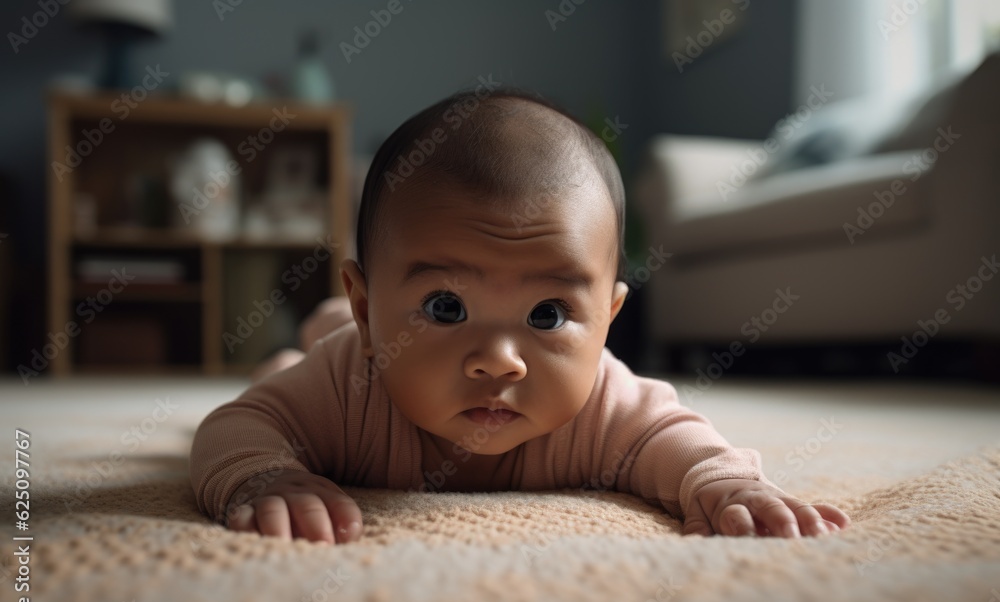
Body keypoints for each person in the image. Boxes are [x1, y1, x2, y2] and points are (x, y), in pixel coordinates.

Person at [190, 88, 851, 544]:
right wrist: (266, 474)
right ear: (373, 310)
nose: (500, 359)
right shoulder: (346, 384)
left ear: (608, 320)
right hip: (342, 346)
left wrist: (721, 480)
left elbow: (675, 438)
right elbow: (237, 425)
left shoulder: (604, 401)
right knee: (294, 367)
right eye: (446, 307)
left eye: (548, 314)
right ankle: (318, 334)